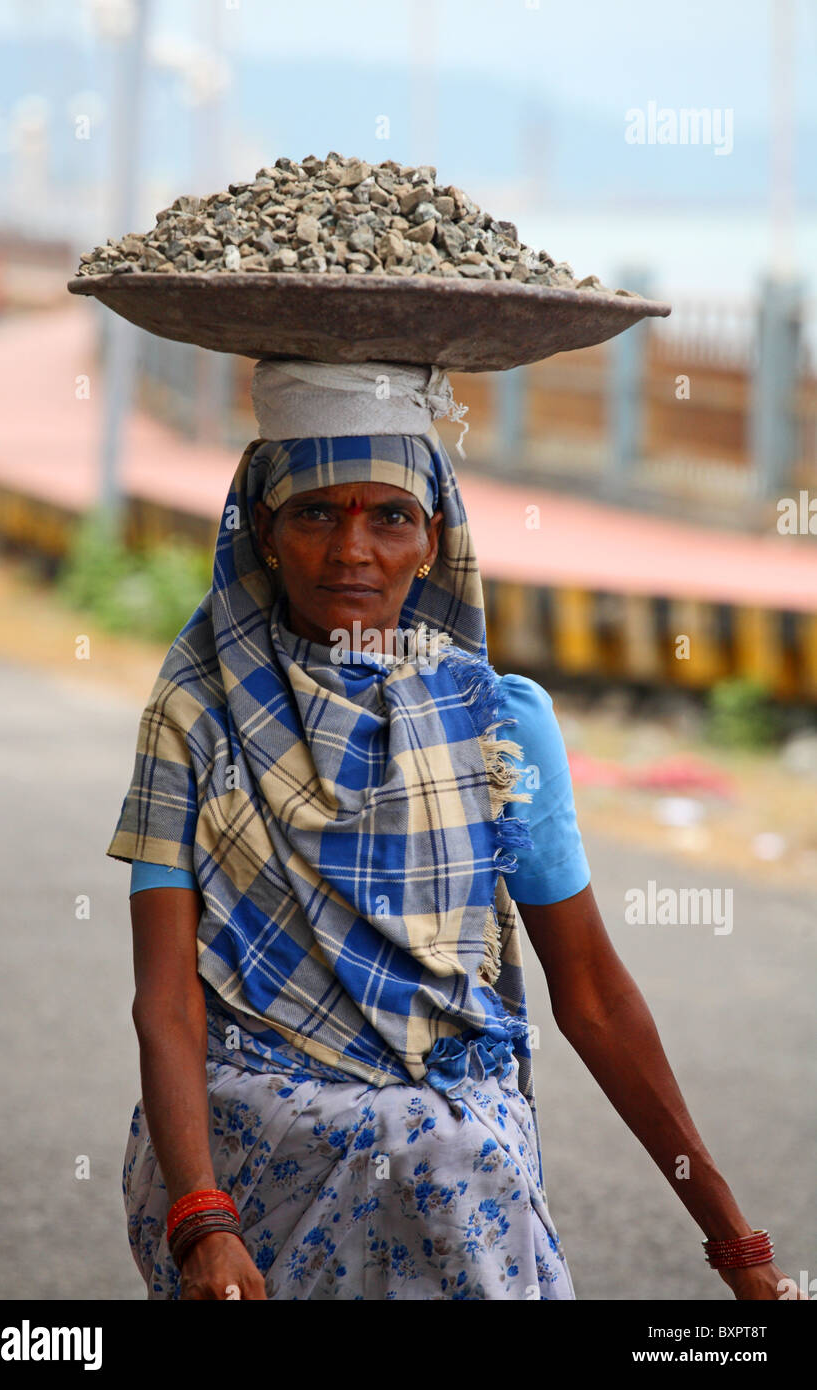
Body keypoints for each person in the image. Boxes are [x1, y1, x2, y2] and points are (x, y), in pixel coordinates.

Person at [107, 360, 798, 1301]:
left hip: (462, 1176)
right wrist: (201, 1220)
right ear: (264, 533)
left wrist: (739, 1249)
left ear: (432, 538)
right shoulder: (197, 712)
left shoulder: (500, 723)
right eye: (315, 513)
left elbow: (590, 990)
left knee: (445, 1151)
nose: (353, 548)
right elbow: (168, 999)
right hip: (258, 1162)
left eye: (389, 516)